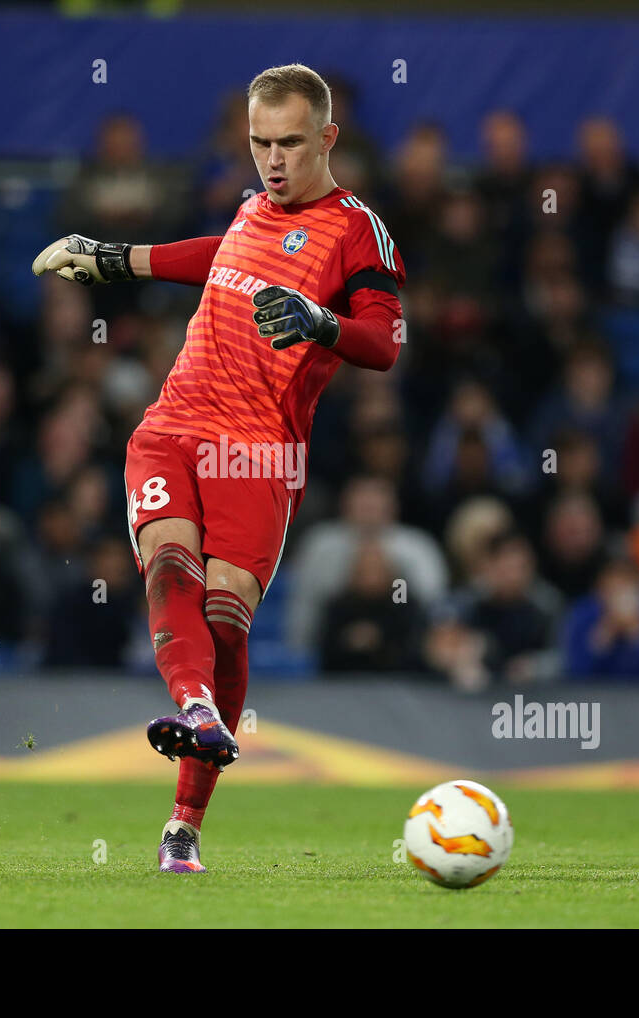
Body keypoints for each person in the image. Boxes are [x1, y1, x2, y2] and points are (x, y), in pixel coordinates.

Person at [32, 64, 406, 873]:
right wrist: (113, 258)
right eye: (260, 142)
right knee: (170, 566)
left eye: (290, 143)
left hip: (259, 449)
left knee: (227, 619)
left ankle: (185, 825)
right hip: (174, 426)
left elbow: (384, 343)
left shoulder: (357, 231)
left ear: (328, 138)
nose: (273, 160)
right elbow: (219, 255)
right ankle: (197, 708)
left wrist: (321, 322)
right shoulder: (250, 209)